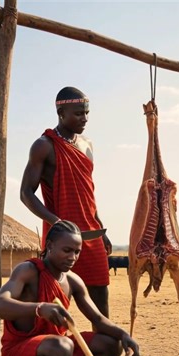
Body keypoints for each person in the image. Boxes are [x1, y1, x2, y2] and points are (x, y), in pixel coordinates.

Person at [0, 220, 140, 356]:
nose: (73, 257)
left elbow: (97, 319)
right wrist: (39, 308)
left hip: (60, 350)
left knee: (111, 344)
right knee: (62, 345)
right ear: (50, 245)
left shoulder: (73, 280)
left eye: (77, 252)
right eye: (67, 250)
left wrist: (123, 334)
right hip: (21, 355)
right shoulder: (28, 271)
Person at [20, 86, 112, 318]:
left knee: (101, 299)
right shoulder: (44, 145)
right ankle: (56, 352)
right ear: (61, 113)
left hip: (91, 234)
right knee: (57, 300)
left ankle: (104, 351)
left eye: (86, 113)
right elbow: (26, 193)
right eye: (78, 113)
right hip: (60, 238)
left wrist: (101, 230)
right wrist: (57, 223)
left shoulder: (87, 144)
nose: (85, 119)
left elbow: (88, 192)